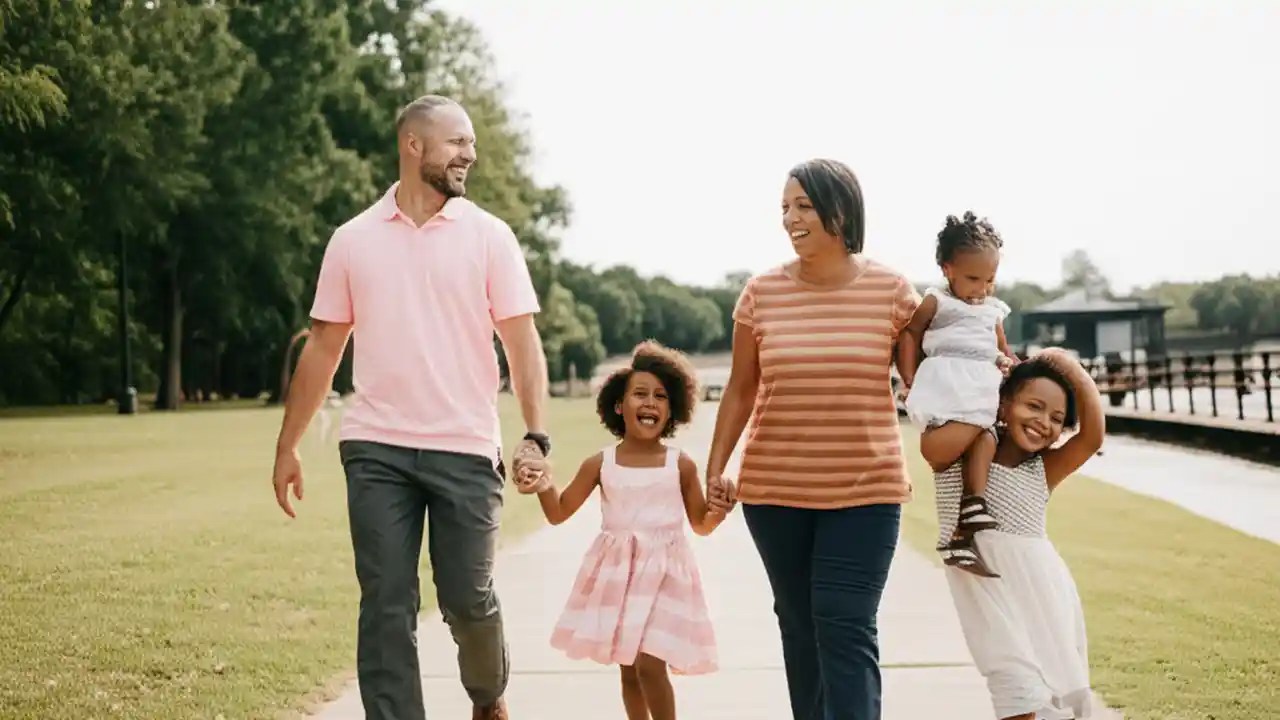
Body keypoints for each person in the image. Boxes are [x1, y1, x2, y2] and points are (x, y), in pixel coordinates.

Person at [270, 94, 551, 720]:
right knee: (386, 602)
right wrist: (288, 445)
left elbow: (522, 342)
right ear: (414, 145)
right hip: (376, 448)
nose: (470, 155)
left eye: (471, 144)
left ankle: (488, 695)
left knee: (467, 598)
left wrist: (536, 435)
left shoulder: (490, 236)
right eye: (458, 142)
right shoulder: (352, 240)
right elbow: (322, 348)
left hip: (467, 446)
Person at [704, 158, 921, 719]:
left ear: (840, 210)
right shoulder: (760, 294)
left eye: (803, 206)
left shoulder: (893, 292)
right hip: (775, 493)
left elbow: (931, 378)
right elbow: (740, 389)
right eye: (784, 208)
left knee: (844, 624)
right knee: (800, 627)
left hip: (866, 492)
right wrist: (716, 469)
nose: (790, 218)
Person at [517, 341, 734, 720]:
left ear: (672, 410)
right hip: (621, 576)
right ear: (619, 405)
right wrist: (542, 482)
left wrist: (720, 510)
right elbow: (558, 512)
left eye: (661, 396)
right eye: (640, 394)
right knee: (630, 668)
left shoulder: (679, 465)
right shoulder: (600, 463)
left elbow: (701, 523)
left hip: (666, 575)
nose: (650, 403)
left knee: (651, 663)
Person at [926, 350, 1104, 720]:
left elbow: (1091, 437)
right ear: (1003, 404)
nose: (1043, 422)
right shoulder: (957, 457)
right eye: (1034, 406)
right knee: (1015, 692)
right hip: (990, 602)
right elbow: (931, 437)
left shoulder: (1042, 471)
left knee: (1053, 699)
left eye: (1056, 418)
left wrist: (1067, 364)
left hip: (1041, 598)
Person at [897, 211, 1020, 577]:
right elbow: (909, 334)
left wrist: (1012, 368)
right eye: (972, 278)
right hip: (948, 388)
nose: (981, 288)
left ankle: (971, 509)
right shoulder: (938, 301)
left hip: (979, 388)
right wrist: (909, 378)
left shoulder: (993, 311)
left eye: (989, 280)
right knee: (979, 427)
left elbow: (1004, 350)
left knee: (987, 437)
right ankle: (963, 523)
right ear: (947, 268)